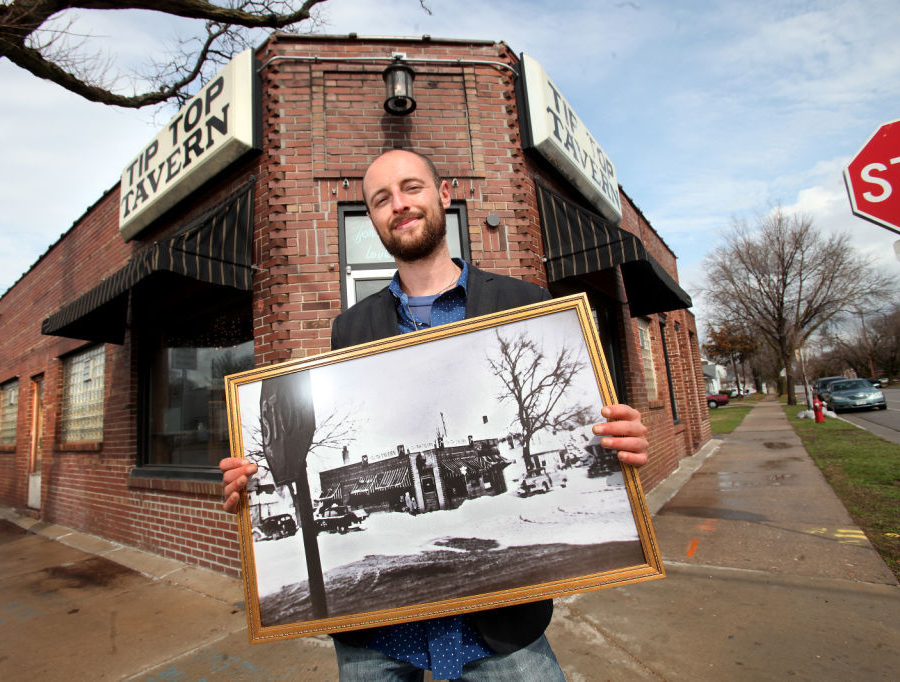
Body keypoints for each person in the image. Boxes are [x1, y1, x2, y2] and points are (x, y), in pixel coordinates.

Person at [220, 149, 649, 681]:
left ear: (443, 195)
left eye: (411, 188)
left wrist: (618, 437)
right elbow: (310, 438)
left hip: (500, 631)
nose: (399, 205)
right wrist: (256, 475)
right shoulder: (348, 330)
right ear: (372, 218)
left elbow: (589, 414)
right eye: (382, 199)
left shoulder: (526, 303)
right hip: (377, 638)